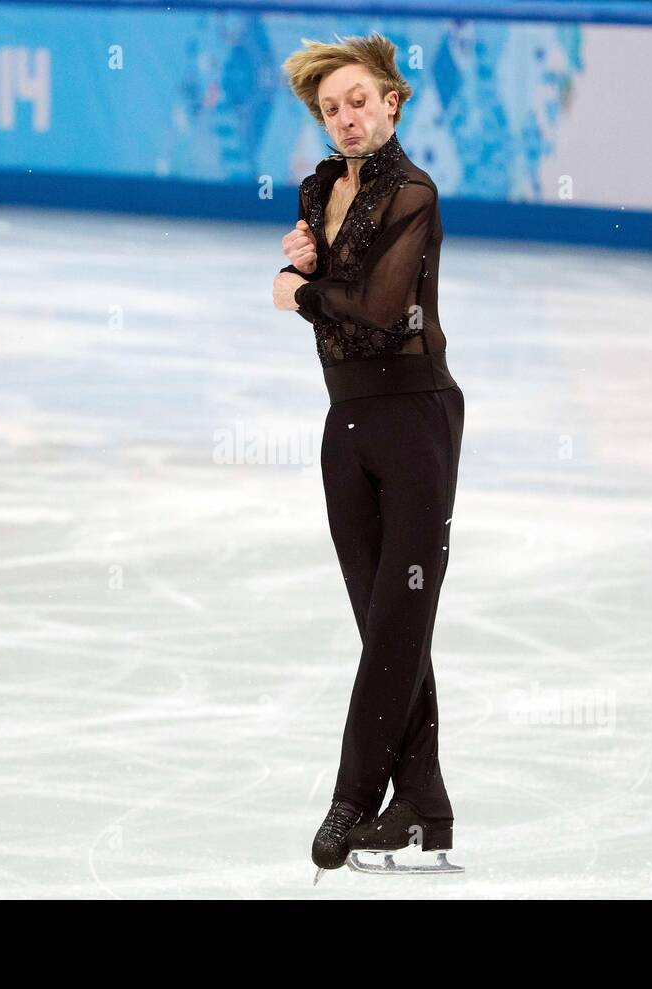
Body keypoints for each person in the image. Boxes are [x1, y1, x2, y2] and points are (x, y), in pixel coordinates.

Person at [274, 33, 466, 880]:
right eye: (331, 109)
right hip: (344, 425)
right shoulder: (322, 189)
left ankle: (352, 797)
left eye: (359, 101)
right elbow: (341, 301)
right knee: (384, 622)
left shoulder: (413, 193)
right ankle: (423, 801)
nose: (347, 118)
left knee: (399, 616)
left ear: (392, 101)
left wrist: (299, 288)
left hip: (415, 422)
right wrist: (309, 256)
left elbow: (381, 312)